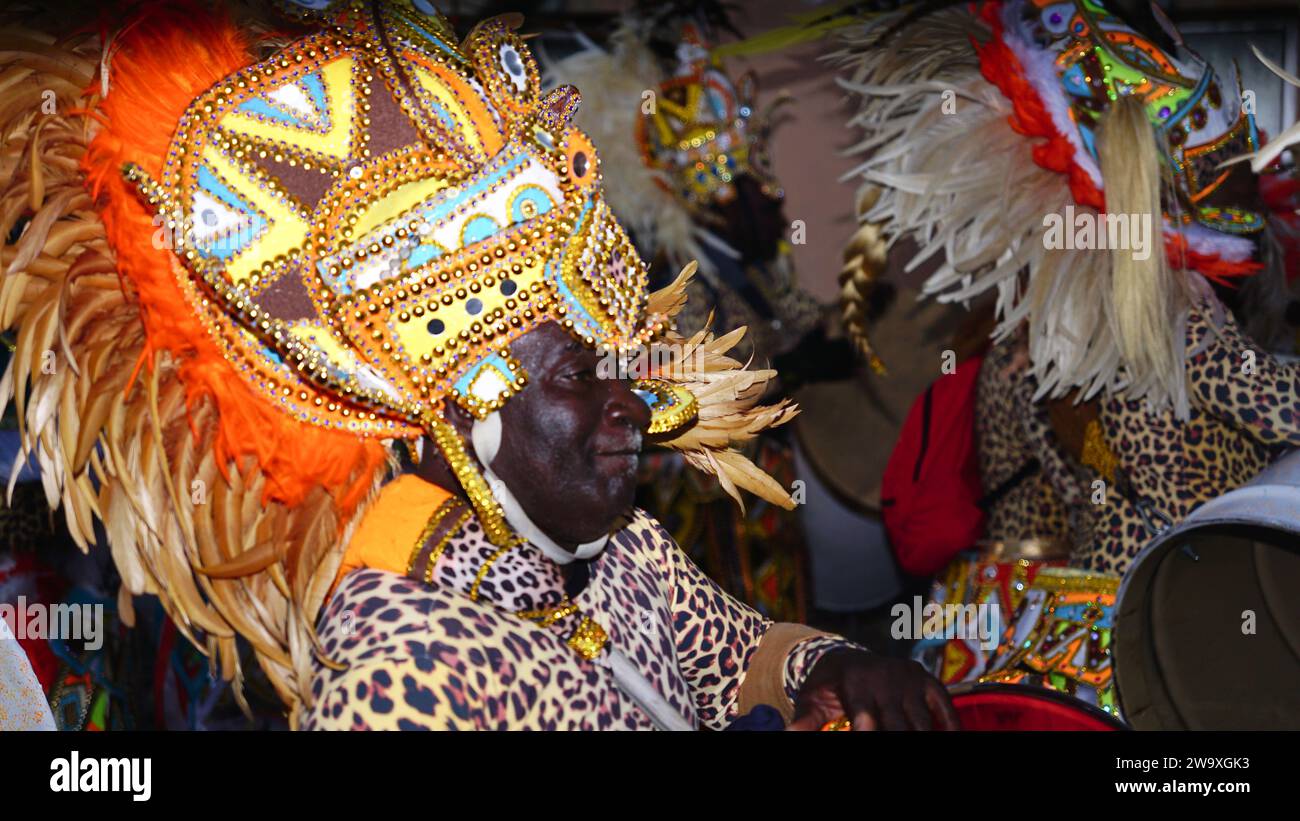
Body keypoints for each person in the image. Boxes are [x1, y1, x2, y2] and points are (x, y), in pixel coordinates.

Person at [0, 0, 955, 731]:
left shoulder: (605, 543)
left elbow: (731, 652)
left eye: (611, 369)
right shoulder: (393, 667)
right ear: (463, 416)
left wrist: (823, 667)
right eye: (577, 378)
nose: (634, 406)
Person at [835, 0, 1300, 717]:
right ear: (1173, 180)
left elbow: (1036, 513)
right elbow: (1281, 407)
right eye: (1229, 157)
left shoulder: (1065, 325)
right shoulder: (1177, 317)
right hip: (1180, 622)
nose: (1251, 172)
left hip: (1080, 628)